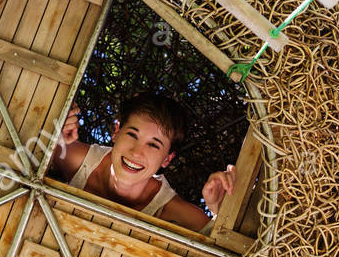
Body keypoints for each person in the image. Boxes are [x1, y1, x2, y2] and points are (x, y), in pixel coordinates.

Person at [49, 91, 235, 234]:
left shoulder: (170, 209)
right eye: (132, 135)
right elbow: (32, 148)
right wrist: (54, 129)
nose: (136, 153)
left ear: (167, 159)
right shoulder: (79, 160)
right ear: (116, 132)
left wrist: (219, 210)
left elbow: (222, 245)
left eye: (153, 145)